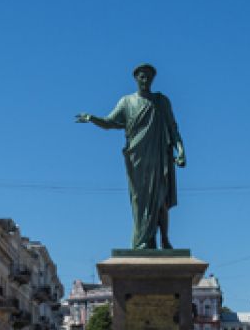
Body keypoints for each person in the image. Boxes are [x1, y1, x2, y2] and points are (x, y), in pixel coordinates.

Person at [77, 63, 186, 250]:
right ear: (136, 78)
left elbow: (172, 127)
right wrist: (91, 118)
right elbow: (109, 122)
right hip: (137, 158)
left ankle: (164, 239)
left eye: (149, 76)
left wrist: (181, 150)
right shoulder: (126, 102)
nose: (145, 80)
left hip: (158, 156)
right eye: (142, 76)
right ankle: (144, 239)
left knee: (160, 199)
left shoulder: (161, 101)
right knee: (139, 200)